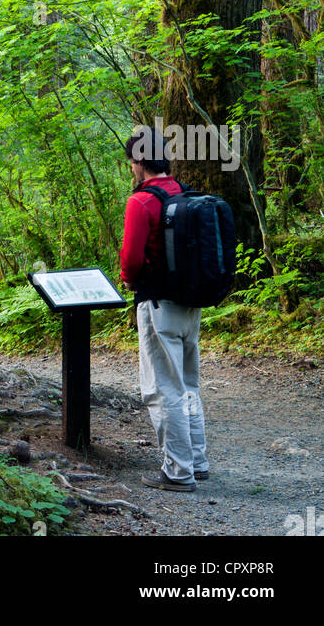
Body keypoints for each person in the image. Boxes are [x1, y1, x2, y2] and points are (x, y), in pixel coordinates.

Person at [120, 125, 209, 493]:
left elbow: (131, 260)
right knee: (188, 385)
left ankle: (177, 471)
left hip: (158, 305)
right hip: (191, 304)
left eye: (131, 163)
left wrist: (128, 277)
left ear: (140, 160)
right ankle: (197, 461)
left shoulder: (141, 201)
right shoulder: (182, 193)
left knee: (162, 389)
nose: (131, 169)